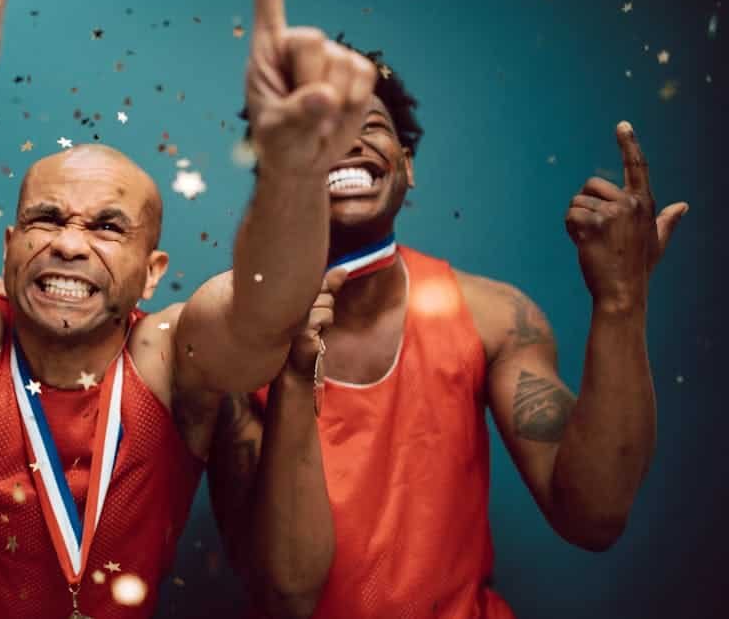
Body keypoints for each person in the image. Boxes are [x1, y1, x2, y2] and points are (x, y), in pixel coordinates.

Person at [0, 0, 378, 616]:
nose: (68, 245)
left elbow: (267, 311)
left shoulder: (169, 357)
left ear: (152, 272)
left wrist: (291, 172)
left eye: (108, 228)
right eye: (45, 218)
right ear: (9, 245)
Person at [207, 34, 689, 619]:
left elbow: (593, 516)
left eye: (369, 121)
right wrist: (287, 362)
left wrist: (621, 301)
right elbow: (288, 594)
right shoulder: (226, 337)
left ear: (406, 166)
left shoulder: (494, 317)